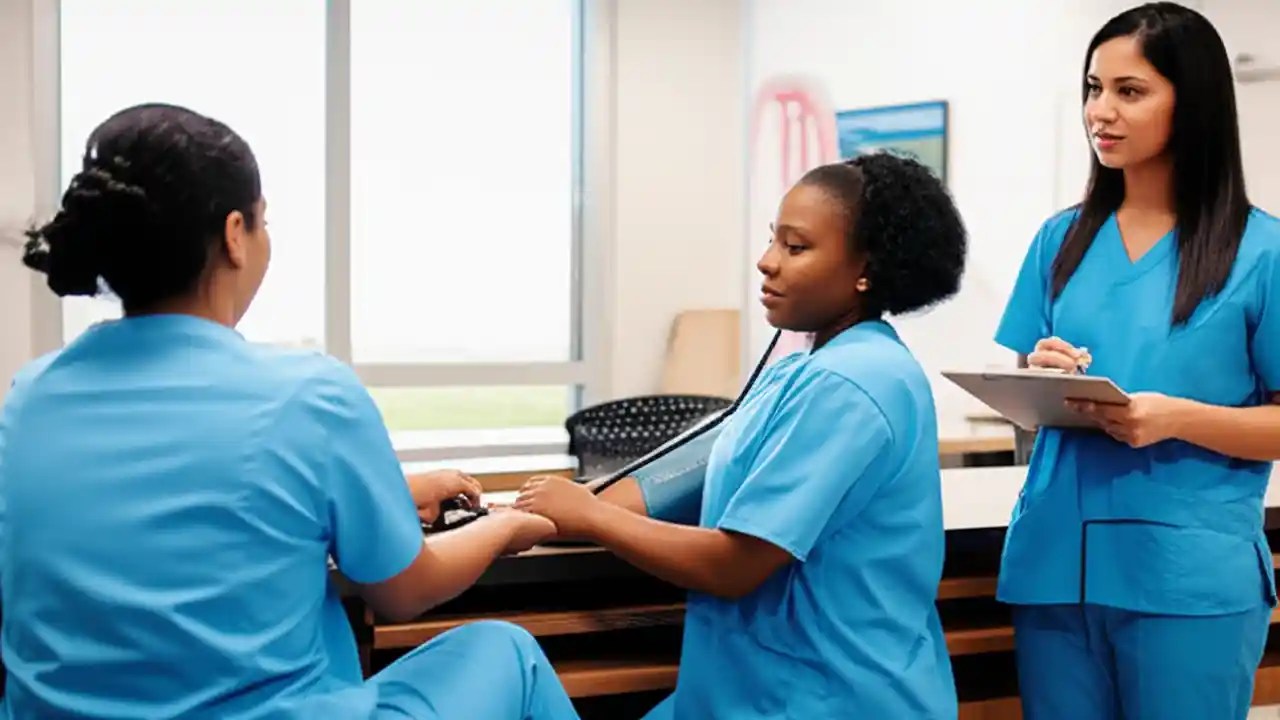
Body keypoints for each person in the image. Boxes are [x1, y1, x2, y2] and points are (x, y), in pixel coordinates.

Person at [0, 103, 579, 720]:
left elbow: (170, 510)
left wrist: (393, 492)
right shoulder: (306, 396)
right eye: (263, 222)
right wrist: (504, 527)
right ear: (233, 236)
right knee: (506, 650)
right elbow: (405, 590)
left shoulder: (27, 401)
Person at [515, 152, 968, 719]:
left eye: (795, 247)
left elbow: (735, 564)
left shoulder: (851, 382)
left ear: (866, 269)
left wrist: (593, 517)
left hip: (830, 699)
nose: (766, 263)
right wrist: (533, 514)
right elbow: (677, 480)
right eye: (772, 241)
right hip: (748, 691)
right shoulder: (799, 368)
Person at [994, 4, 1280, 718]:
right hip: (1054, 569)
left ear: (1195, 100)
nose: (1100, 111)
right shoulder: (1058, 241)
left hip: (1186, 579)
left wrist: (1174, 418)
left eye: (1130, 90)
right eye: (1094, 88)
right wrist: (1041, 377)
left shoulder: (1262, 254)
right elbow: (1022, 419)